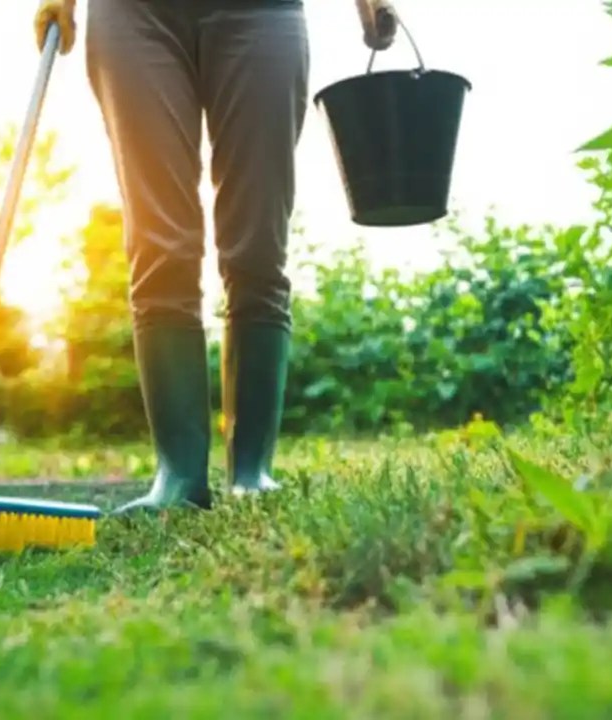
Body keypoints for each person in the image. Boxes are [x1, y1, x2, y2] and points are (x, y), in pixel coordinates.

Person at [32, 0, 399, 514]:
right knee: (161, 247)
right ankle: (179, 476)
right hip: (135, 17)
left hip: (261, 14)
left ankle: (252, 471)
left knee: (257, 243)